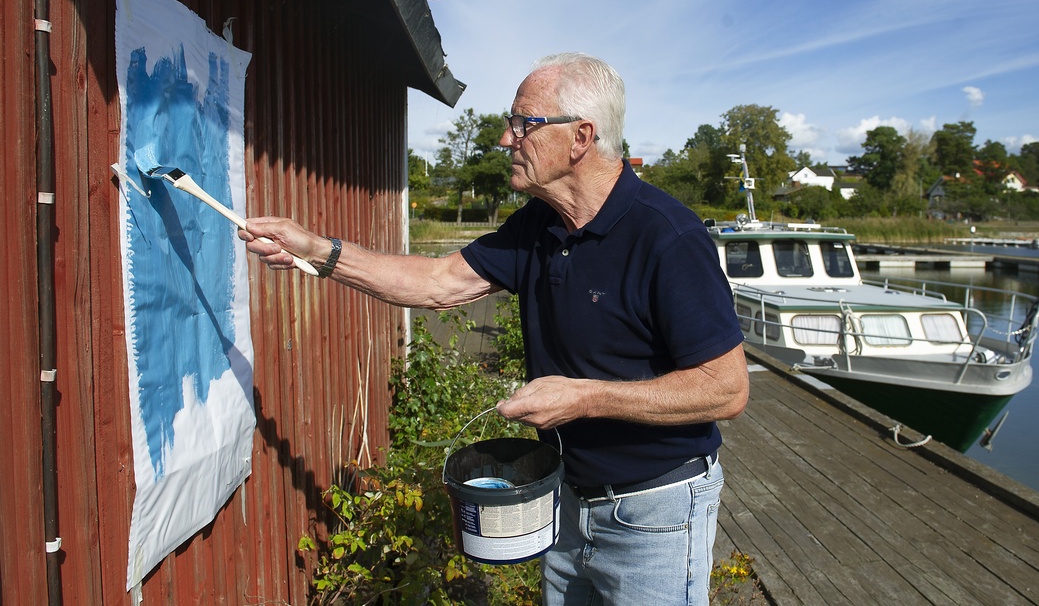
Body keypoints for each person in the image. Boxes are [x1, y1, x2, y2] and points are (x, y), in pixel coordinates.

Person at [240, 52, 749, 605]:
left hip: (656, 511)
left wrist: (585, 397)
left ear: (580, 137)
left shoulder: (667, 236)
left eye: (523, 123)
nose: (506, 139)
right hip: (562, 499)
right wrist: (320, 251)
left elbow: (725, 388)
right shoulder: (538, 223)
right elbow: (438, 282)